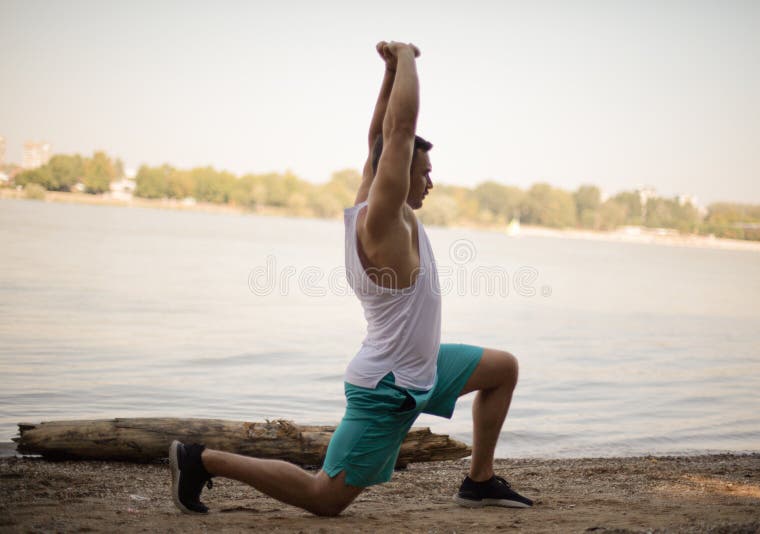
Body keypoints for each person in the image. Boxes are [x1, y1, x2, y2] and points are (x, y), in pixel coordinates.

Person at [169, 40, 532, 517]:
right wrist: (406, 60)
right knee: (326, 497)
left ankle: (479, 481)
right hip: (388, 387)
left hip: (422, 366)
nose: (429, 181)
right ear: (398, 175)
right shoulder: (384, 224)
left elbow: (378, 140)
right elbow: (398, 132)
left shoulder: (373, 202)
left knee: (502, 368)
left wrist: (385, 75)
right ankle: (201, 460)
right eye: (422, 172)